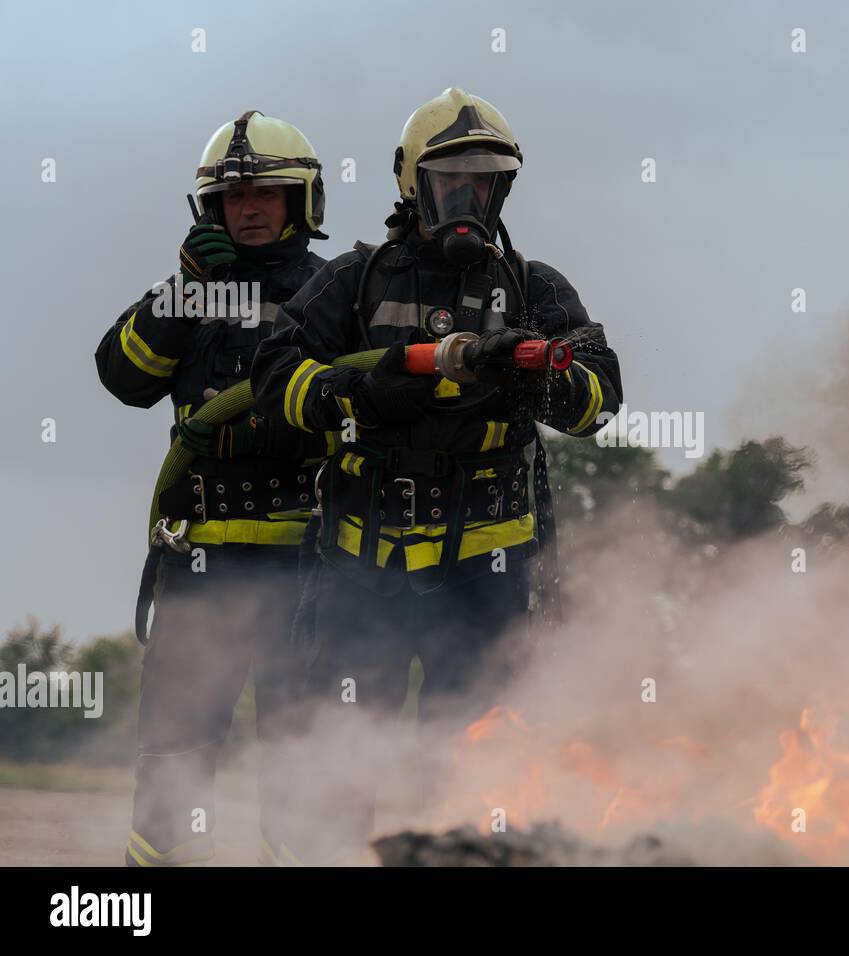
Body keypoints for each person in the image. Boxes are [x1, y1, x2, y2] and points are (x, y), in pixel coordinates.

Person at [249, 88, 622, 861]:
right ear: (411, 183)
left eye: (483, 183)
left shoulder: (534, 287)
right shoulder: (354, 281)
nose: (468, 196)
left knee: (475, 763)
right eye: (451, 181)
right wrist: (352, 389)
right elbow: (270, 379)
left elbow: (599, 400)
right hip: (361, 564)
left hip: (487, 575)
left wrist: (541, 381)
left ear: (501, 190)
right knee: (335, 756)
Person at [95, 111, 330, 866]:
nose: (249, 208)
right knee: (172, 760)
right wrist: (183, 289)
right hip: (200, 571)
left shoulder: (338, 289)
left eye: (265, 193)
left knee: (303, 766)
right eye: (232, 199)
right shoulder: (188, 295)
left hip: (306, 567)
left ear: (301, 201)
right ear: (210, 210)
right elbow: (123, 377)